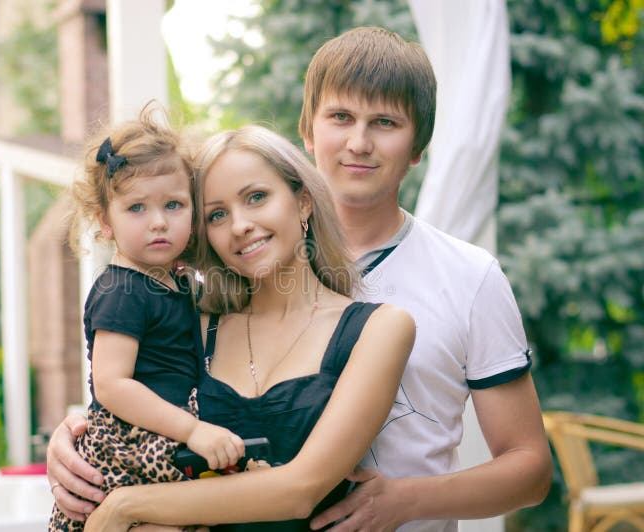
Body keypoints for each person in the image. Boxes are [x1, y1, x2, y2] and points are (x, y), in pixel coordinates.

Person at [49, 26, 553, 531]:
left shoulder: (466, 278)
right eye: (340, 118)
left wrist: (405, 500)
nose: (359, 142)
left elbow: (528, 469)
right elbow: (137, 389)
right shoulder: (209, 311)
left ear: (417, 146)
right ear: (309, 132)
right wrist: (72, 437)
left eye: (384, 122)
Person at [65, 123, 414, 532]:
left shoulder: (379, 329)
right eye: (217, 214)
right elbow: (119, 394)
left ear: (303, 203)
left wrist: (123, 506)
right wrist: (70, 439)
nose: (239, 225)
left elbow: (301, 490)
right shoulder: (195, 323)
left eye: (257, 198)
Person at [48, 104, 248, 531]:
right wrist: (192, 432)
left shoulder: (176, 282)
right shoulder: (121, 290)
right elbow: (113, 384)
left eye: (173, 205)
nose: (158, 222)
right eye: (137, 208)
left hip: (164, 430)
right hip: (132, 440)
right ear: (105, 221)